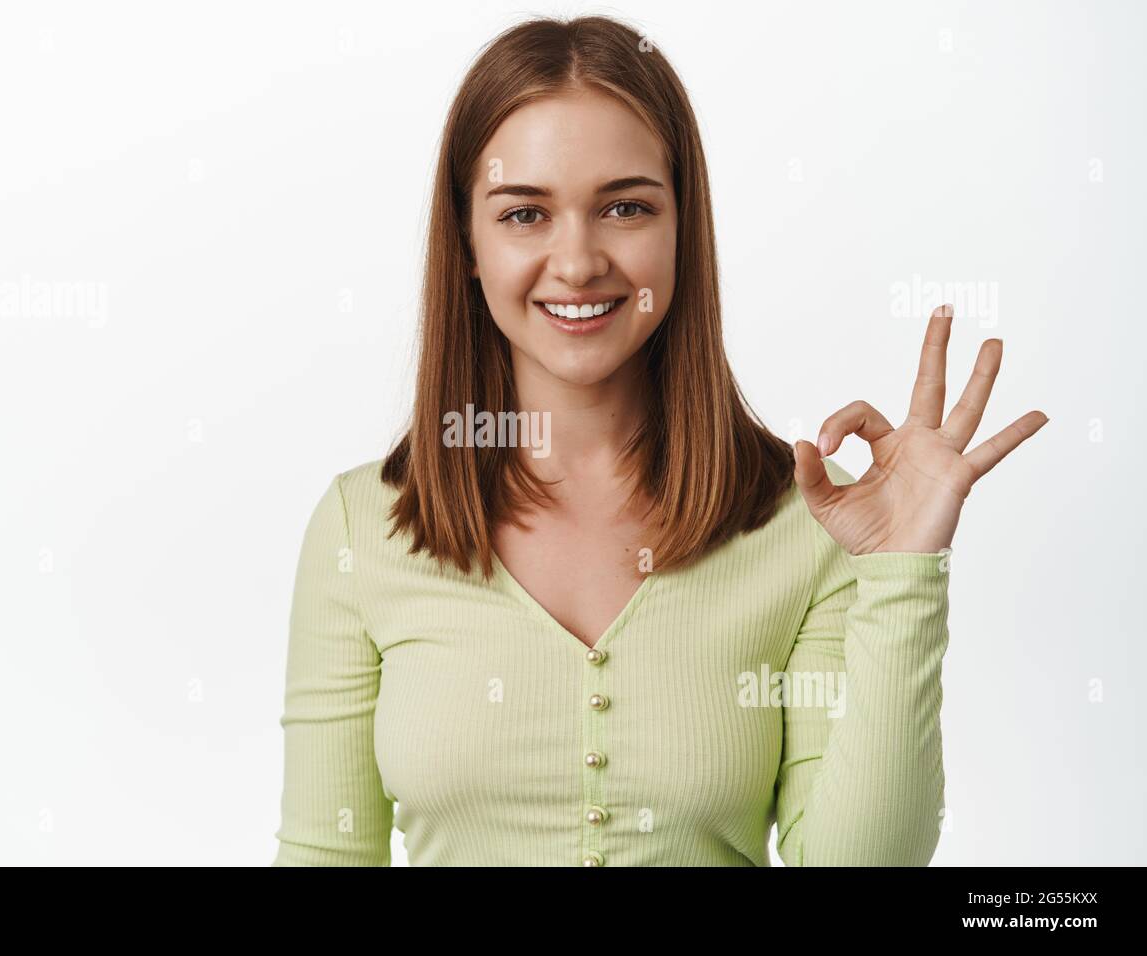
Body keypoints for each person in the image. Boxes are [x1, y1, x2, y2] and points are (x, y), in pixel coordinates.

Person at [270, 14, 1047, 866]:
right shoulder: (361, 528)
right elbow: (323, 855)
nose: (577, 262)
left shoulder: (805, 523)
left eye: (626, 207)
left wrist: (901, 574)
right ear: (467, 243)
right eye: (525, 214)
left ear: (684, 226)